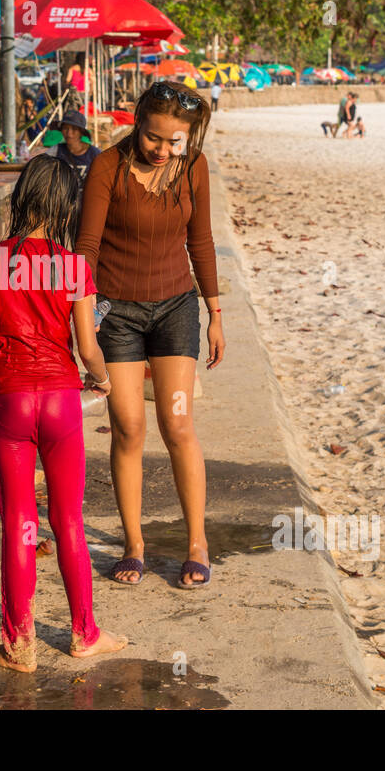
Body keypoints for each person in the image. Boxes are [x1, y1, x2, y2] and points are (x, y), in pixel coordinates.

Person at [0, 154, 128, 671]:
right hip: (60, 401)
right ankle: (84, 633)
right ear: (65, 204)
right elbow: (88, 348)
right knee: (68, 520)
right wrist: (102, 380)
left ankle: (19, 645)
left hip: (9, 400)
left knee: (19, 522)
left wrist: (10, 335)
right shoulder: (74, 267)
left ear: (21, 198)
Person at [76, 81, 225, 589]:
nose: (163, 151)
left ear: (190, 138)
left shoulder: (195, 167)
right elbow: (87, 246)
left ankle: (197, 542)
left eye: (174, 142)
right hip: (116, 313)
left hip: (177, 308)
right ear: (137, 123)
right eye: (154, 138)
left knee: (178, 425)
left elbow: (201, 240)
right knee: (128, 428)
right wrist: (84, 323)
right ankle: (134, 544)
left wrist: (216, 311)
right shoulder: (107, 167)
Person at [52, 110, 100, 178]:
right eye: (65, 128)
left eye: (74, 129)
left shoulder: (95, 154)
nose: (69, 133)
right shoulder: (55, 151)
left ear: (81, 132)